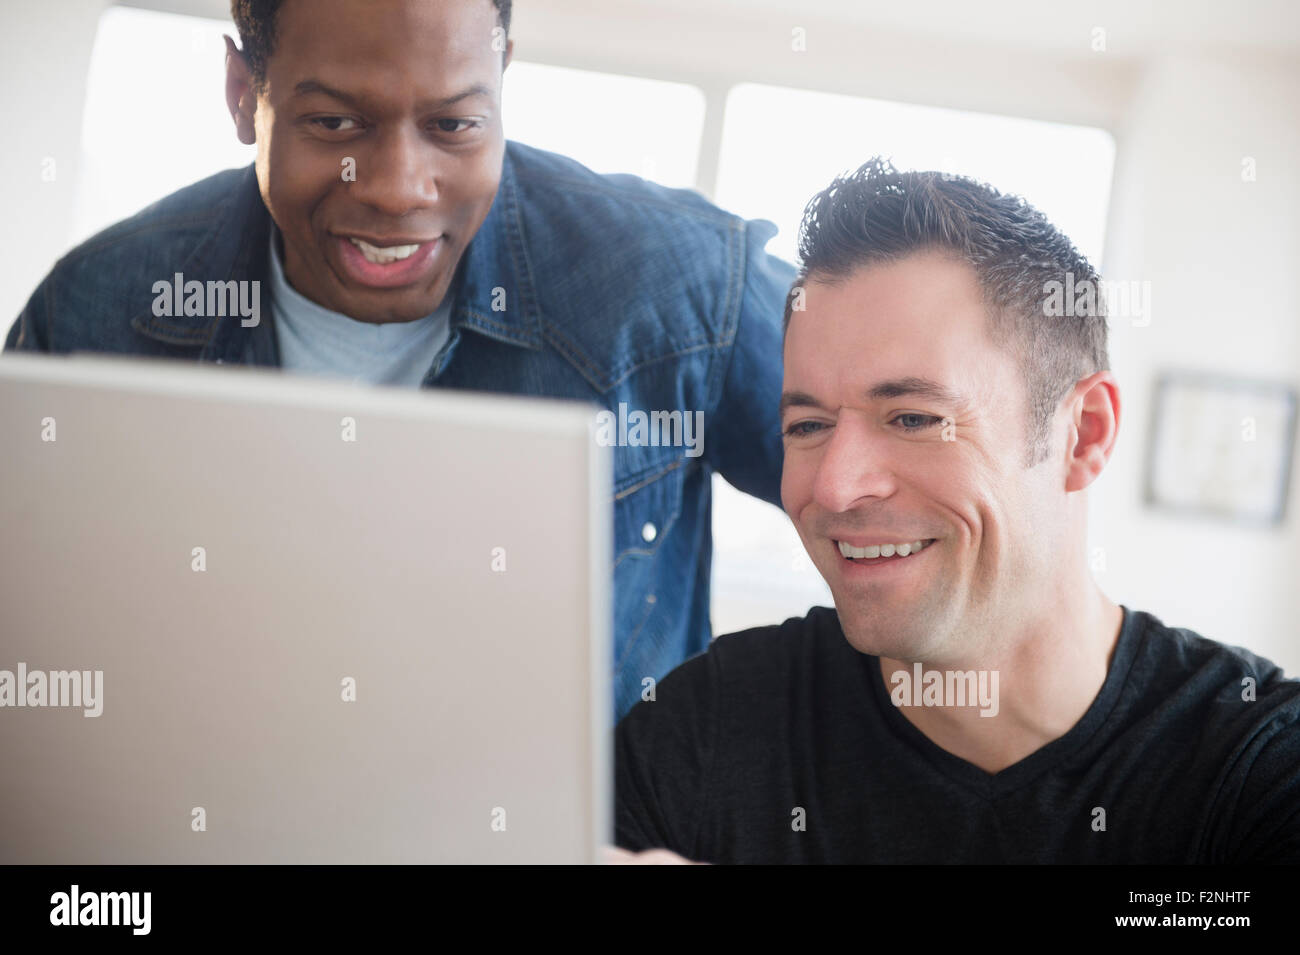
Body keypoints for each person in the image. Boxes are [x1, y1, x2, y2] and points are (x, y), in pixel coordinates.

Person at [3, 0, 794, 721]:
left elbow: (902, 502)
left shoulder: (676, 285)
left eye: (452, 126)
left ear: (502, 77)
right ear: (244, 93)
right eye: (336, 125)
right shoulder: (95, 311)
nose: (396, 190)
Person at [613, 158, 1300, 863]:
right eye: (808, 425)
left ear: (1083, 434)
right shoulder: (703, 730)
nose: (836, 488)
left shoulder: (1261, 768)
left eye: (912, 417)